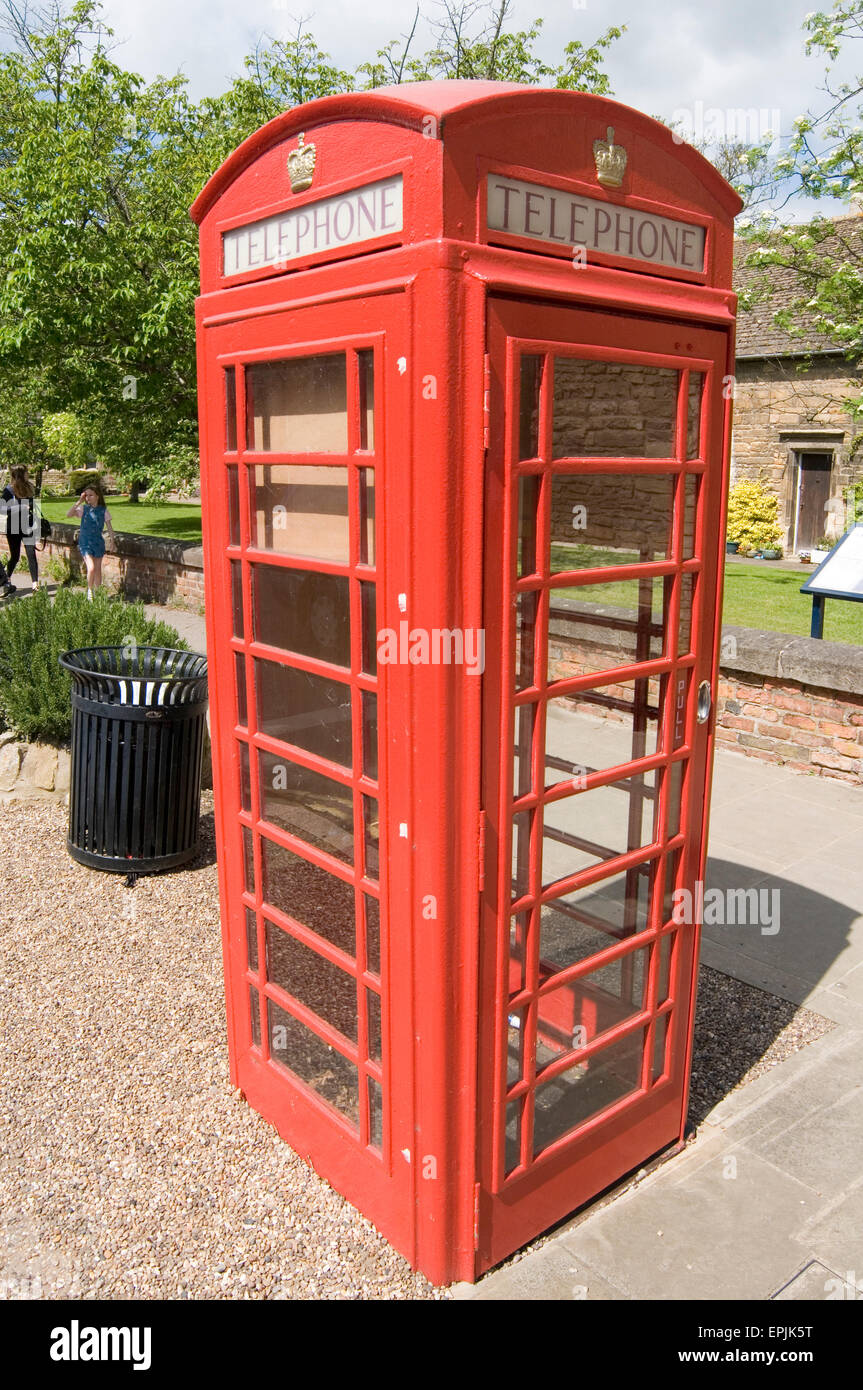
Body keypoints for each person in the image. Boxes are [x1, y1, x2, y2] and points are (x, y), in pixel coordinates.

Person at [67, 480, 115, 599]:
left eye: (91, 495)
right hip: (85, 542)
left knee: (98, 570)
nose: (88, 498)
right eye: (86, 495)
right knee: (91, 567)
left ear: (97, 496)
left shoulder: (103, 510)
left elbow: (109, 528)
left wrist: (113, 542)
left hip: (98, 543)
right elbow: (69, 514)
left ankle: (98, 593)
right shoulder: (84, 509)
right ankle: (89, 591)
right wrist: (79, 501)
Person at [1, 466, 40, 594]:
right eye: (26, 473)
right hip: (13, 526)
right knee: (15, 557)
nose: (28, 475)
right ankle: (6, 580)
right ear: (20, 475)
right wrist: (19, 506)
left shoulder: (29, 487)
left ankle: (35, 584)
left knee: (31, 553)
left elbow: (33, 504)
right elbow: (2, 509)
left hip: (27, 525)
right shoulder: (9, 490)